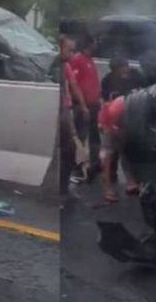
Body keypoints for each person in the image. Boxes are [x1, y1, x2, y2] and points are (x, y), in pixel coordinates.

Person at [100, 55, 145, 186]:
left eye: (126, 68)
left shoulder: (136, 76)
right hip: (114, 117)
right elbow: (104, 100)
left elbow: (144, 93)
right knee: (111, 149)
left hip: (132, 117)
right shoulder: (108, 80)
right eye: (121, 69)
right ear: (114, 70)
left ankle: (133, 179)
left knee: (128, 150)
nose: (125, 71)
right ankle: (110, 176)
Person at [59, 35, 87, 196]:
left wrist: (82, 106)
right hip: (60, 114)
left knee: (70, 150)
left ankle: (64, 186)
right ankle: (61, 189)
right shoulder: (54, 67)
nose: (72, 54)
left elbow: (73, 85)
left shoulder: (65, 66)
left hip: (66, 112)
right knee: (67, 150)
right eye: (69, 50)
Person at [69, 38, 101, 178]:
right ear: (89, 45)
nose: (97, 46)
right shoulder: (78, 60)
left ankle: (95, 163)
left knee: (95, 137)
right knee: (81, 137)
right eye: (95, 43)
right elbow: (74, 84)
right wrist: (82, 105)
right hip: (82, 106)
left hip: (94, 105)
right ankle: (77, 168)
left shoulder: (90, 60)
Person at [98, 95, 137, 202]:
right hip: (108, 123)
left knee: (125, 151)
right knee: (107, 157)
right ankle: (107, 189)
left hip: (120, 121)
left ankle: (131, 182)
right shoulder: (113, 114)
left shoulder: (134, 106)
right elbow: (108, 126)